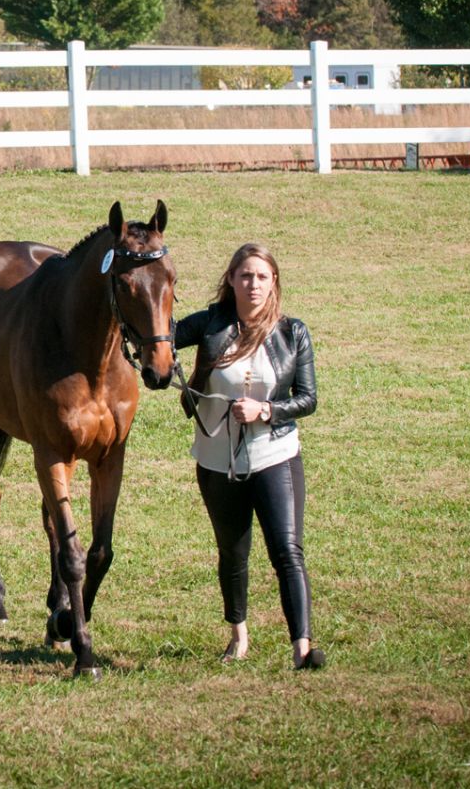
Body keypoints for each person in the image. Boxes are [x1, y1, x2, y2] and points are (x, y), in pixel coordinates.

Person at [175, 242, 323, 670]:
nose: (253, 283)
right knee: (232, 552)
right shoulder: (210, 325)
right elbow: (159, 335)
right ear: (231, 281)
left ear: (273, 281)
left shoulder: (293, 332)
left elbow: (309, 399)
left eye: (261, 276)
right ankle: (238, 635)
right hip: (216, 460)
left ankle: (302, 648)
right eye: (245, 276)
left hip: (275, 455)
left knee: (287, 550)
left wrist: (267, 410)